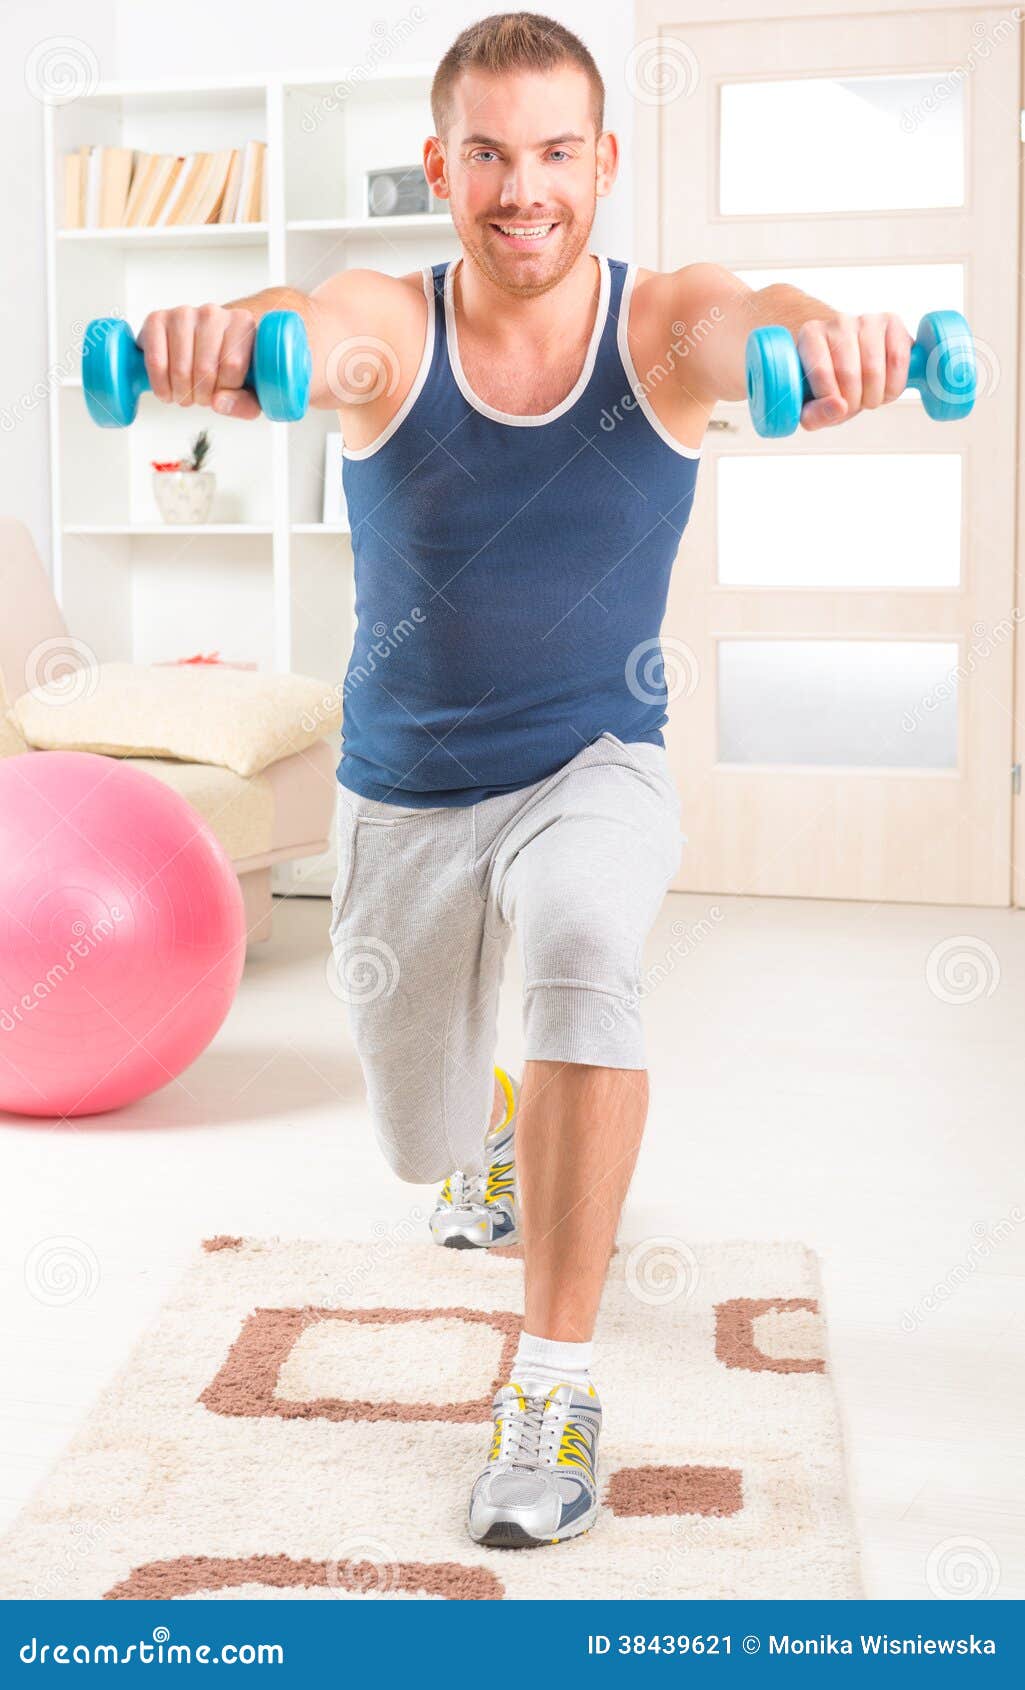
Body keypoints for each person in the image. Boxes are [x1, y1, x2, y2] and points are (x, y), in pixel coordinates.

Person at [137, 11, 911, 1550]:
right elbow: (316, 321)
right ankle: (487, 1130)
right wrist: (230, 334)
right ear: (439, 168)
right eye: (486, 154)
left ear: (602, 160)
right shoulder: (393, 324)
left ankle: (548, 1386)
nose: (523, 187)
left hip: (590, 761)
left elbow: (755, 314)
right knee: (415, 1145)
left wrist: (827, 340)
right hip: (404, 793)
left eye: (555, 150)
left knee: (582, 940)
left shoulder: (663, 326)